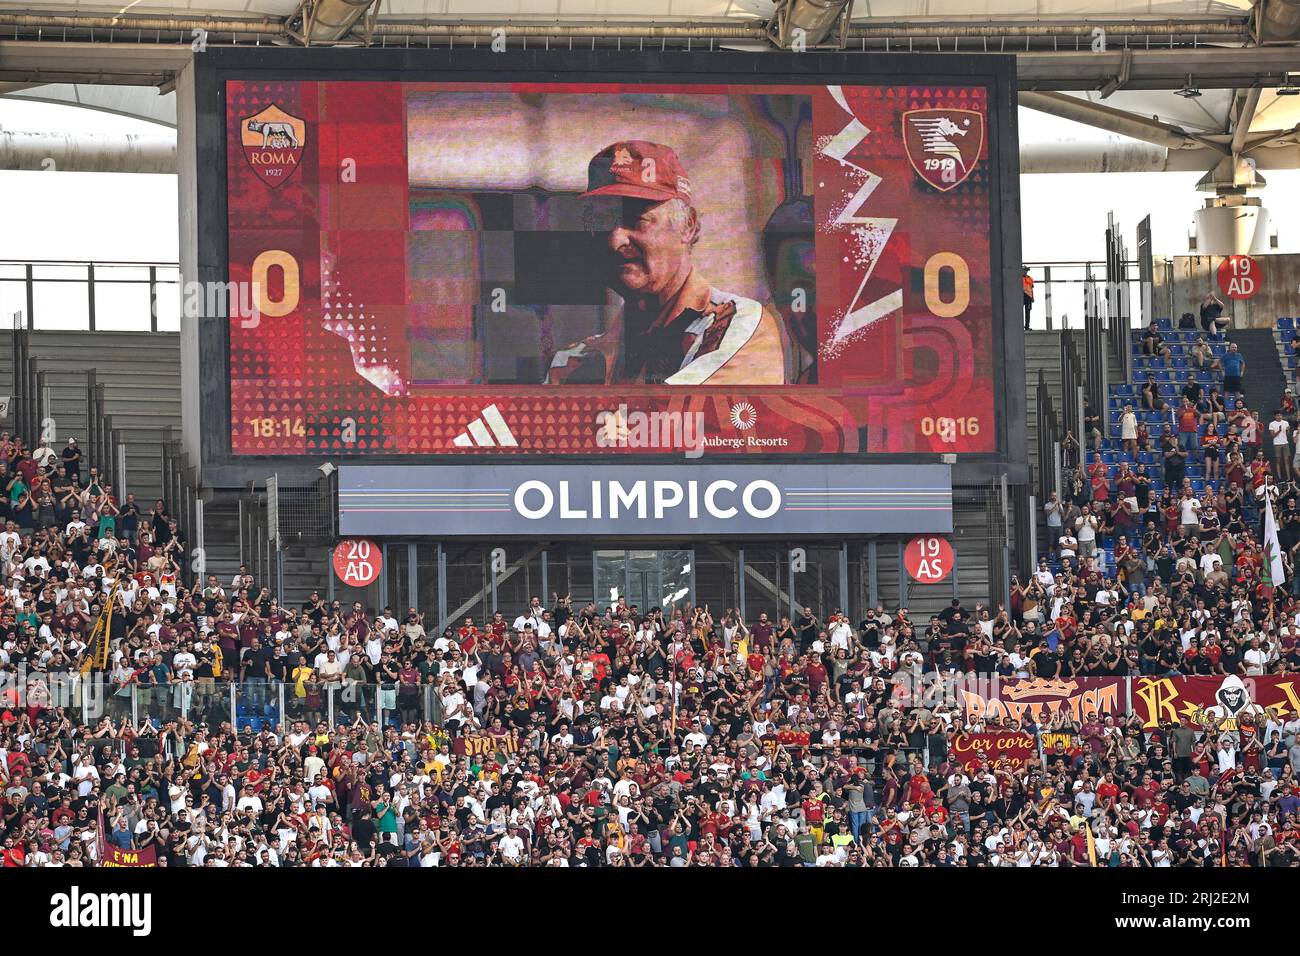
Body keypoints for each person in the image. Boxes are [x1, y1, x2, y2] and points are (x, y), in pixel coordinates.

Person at [548, 140, 787, 386]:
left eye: (636, 219)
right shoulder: (574, 363)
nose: (615, 240)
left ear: (688, 225)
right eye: (602, 221)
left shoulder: (737, 326)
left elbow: (673, 418)